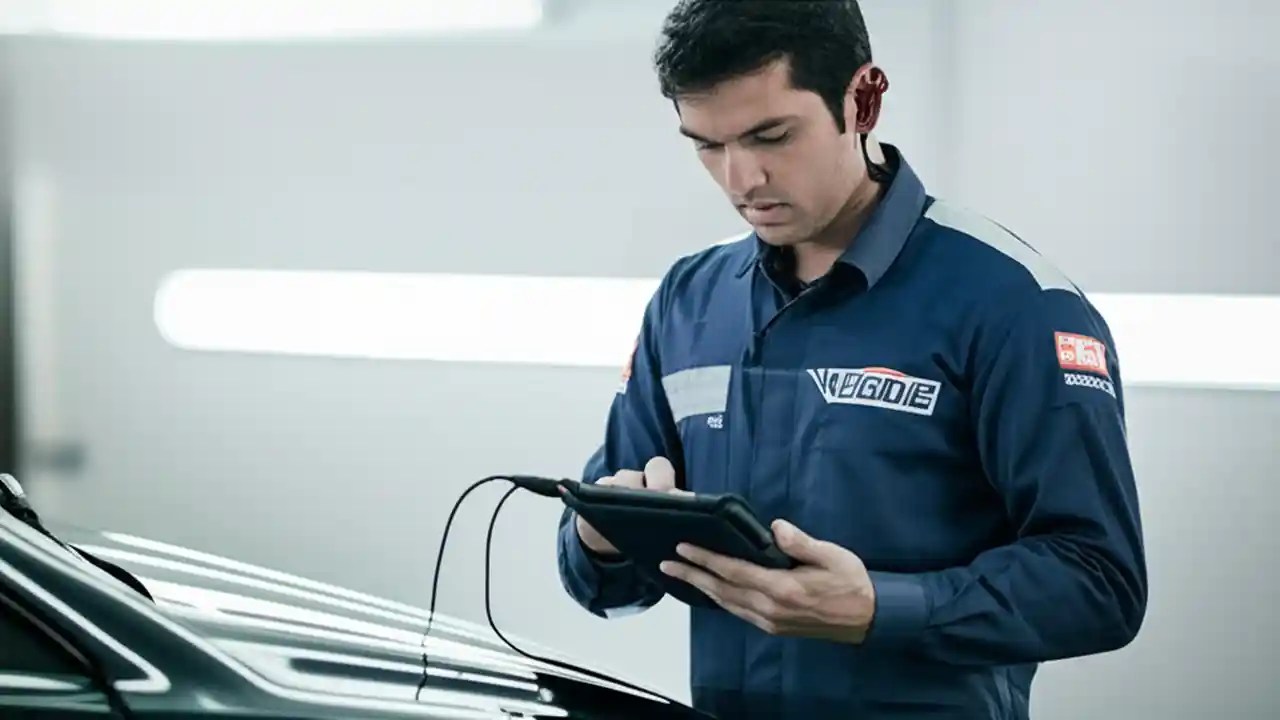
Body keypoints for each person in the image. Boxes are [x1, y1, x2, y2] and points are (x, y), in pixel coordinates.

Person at [554, 1, 1148, 717]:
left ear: (863, 101)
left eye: (771, 136)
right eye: (707, 145)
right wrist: (599, 539)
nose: (741, 179)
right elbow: (606, 584)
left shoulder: (1015, 304)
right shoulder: (689, 300)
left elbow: (1101, 582)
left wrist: (880, 608)